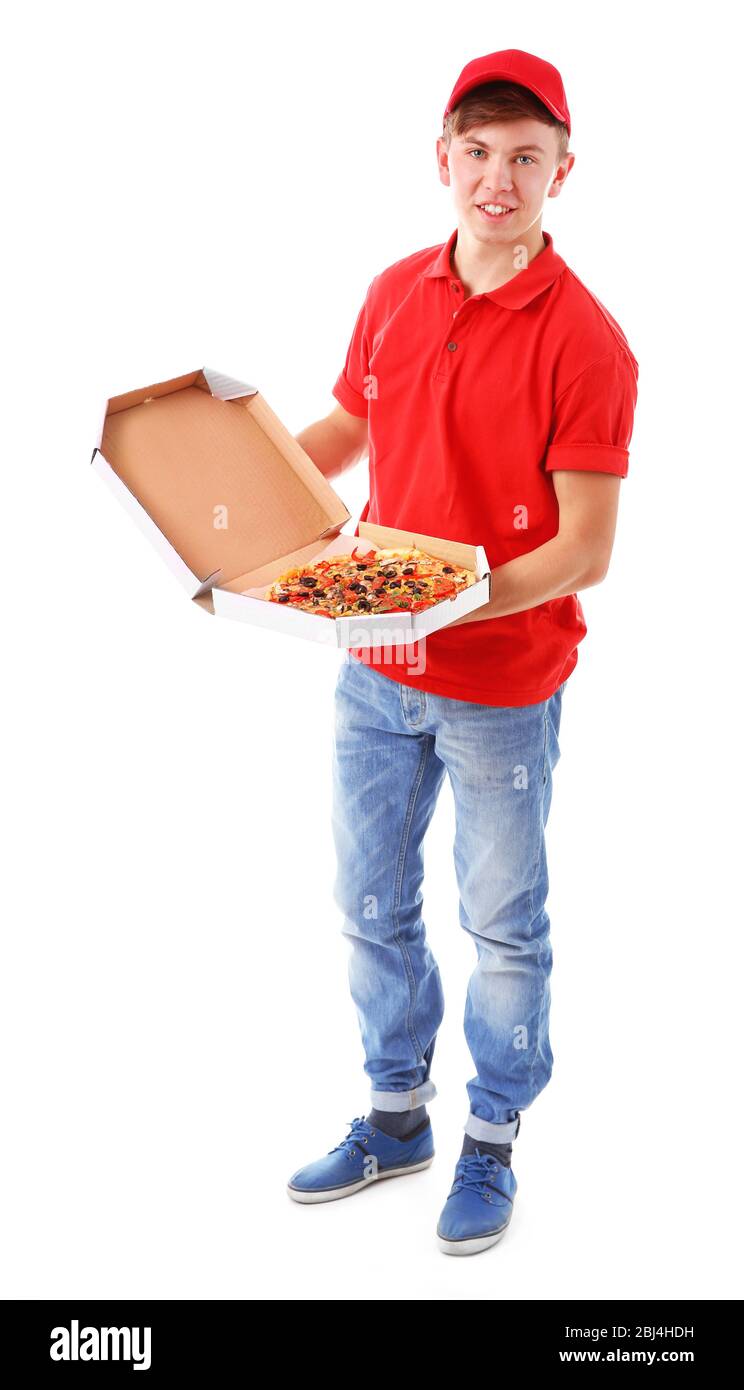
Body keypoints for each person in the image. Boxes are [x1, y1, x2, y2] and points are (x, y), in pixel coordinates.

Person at [286, 48, 639, 1256]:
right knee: (371, 904)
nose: (499, 178)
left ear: (562, 170)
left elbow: (585, 548)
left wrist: (448, 604)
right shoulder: (393, 291)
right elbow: (346, 425)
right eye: (477, 152)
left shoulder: (589, 342)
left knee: (502, 926)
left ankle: (490, 1136)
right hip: (372, 669)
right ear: (443, 159)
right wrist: (239, 478)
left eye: (525, 156)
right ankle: (397, 1117)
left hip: (500, 689)